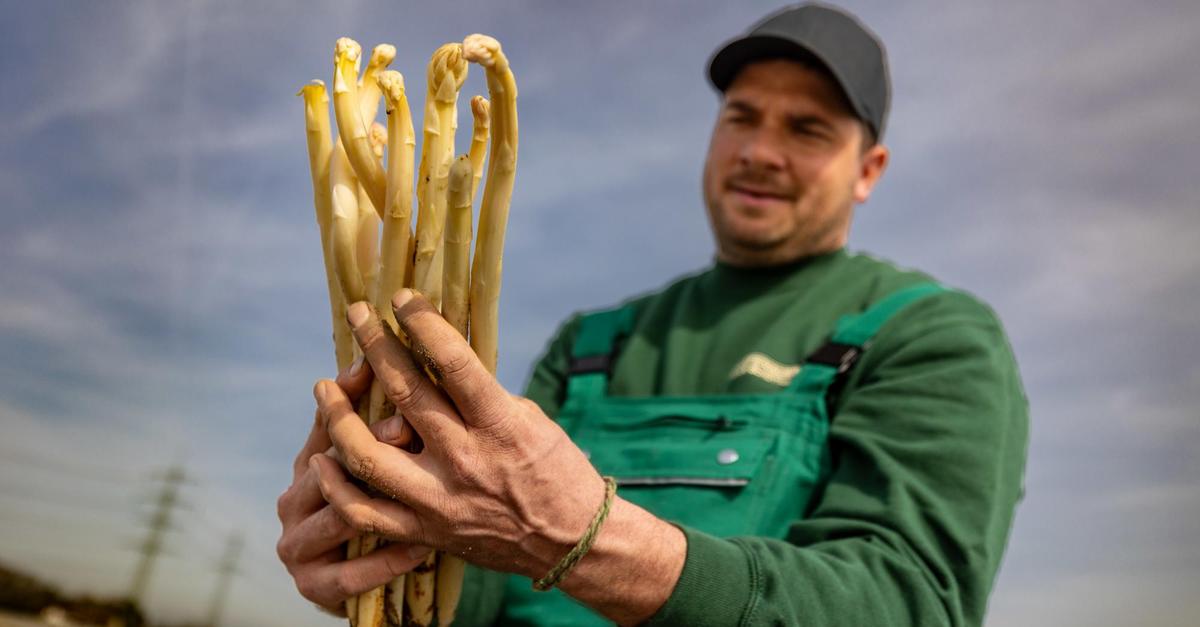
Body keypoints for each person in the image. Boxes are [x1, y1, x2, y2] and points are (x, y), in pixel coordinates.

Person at [275, 3, 1029, 626]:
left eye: (808, 130)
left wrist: (582, 534)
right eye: (743, 117)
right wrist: (379, 551)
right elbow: (476, 587)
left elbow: (907, 601)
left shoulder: (927, 334)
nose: (761, 151)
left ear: (868, 170)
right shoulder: (593, 342)